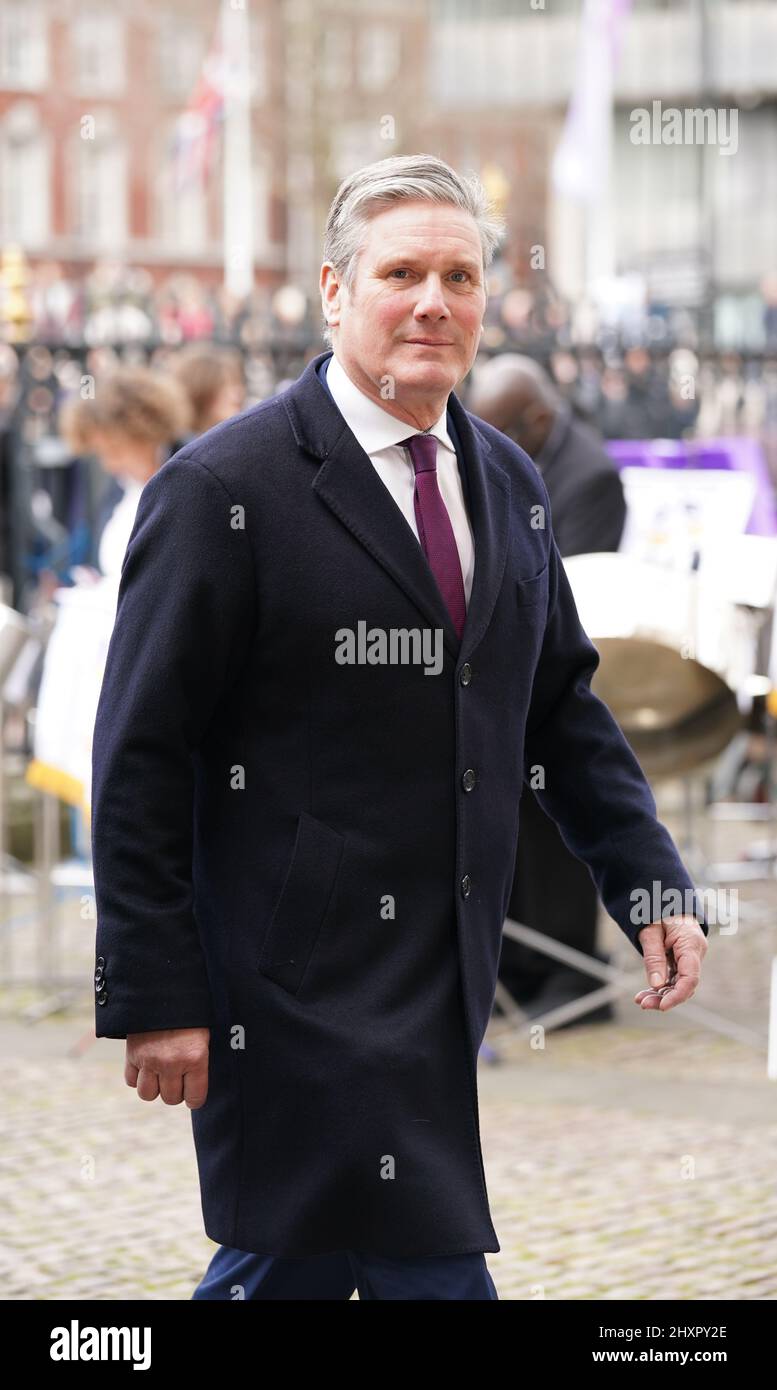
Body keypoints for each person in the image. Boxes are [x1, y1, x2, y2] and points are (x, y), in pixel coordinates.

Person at [90, 154, 708, 1302]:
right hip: (285, 982)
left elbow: (561, 708)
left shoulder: (509, 482)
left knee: (333, 1262)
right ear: (333, 291)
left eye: (460, 277)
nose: (434, 301)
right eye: (403, 273)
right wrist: (155, 991)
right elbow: (140, 751)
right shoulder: (225, 489)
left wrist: (652, 885)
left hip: (443, 973)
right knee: (338, 1259)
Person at [468, 353, 626, 1022]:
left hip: (554, 668)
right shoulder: (503, 457)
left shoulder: (589, 476)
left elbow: (571, 583)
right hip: (503, 667)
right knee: (507, 818)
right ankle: (520, 966)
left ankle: (573, 973)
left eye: (500, 425)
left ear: (537, 418)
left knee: (553, 814)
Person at [59, 366, 191, 579]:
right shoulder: (121, 486)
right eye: (101, 454)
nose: (109, 464)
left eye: (115, 450)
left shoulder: (191, 473)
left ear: (146, 432)